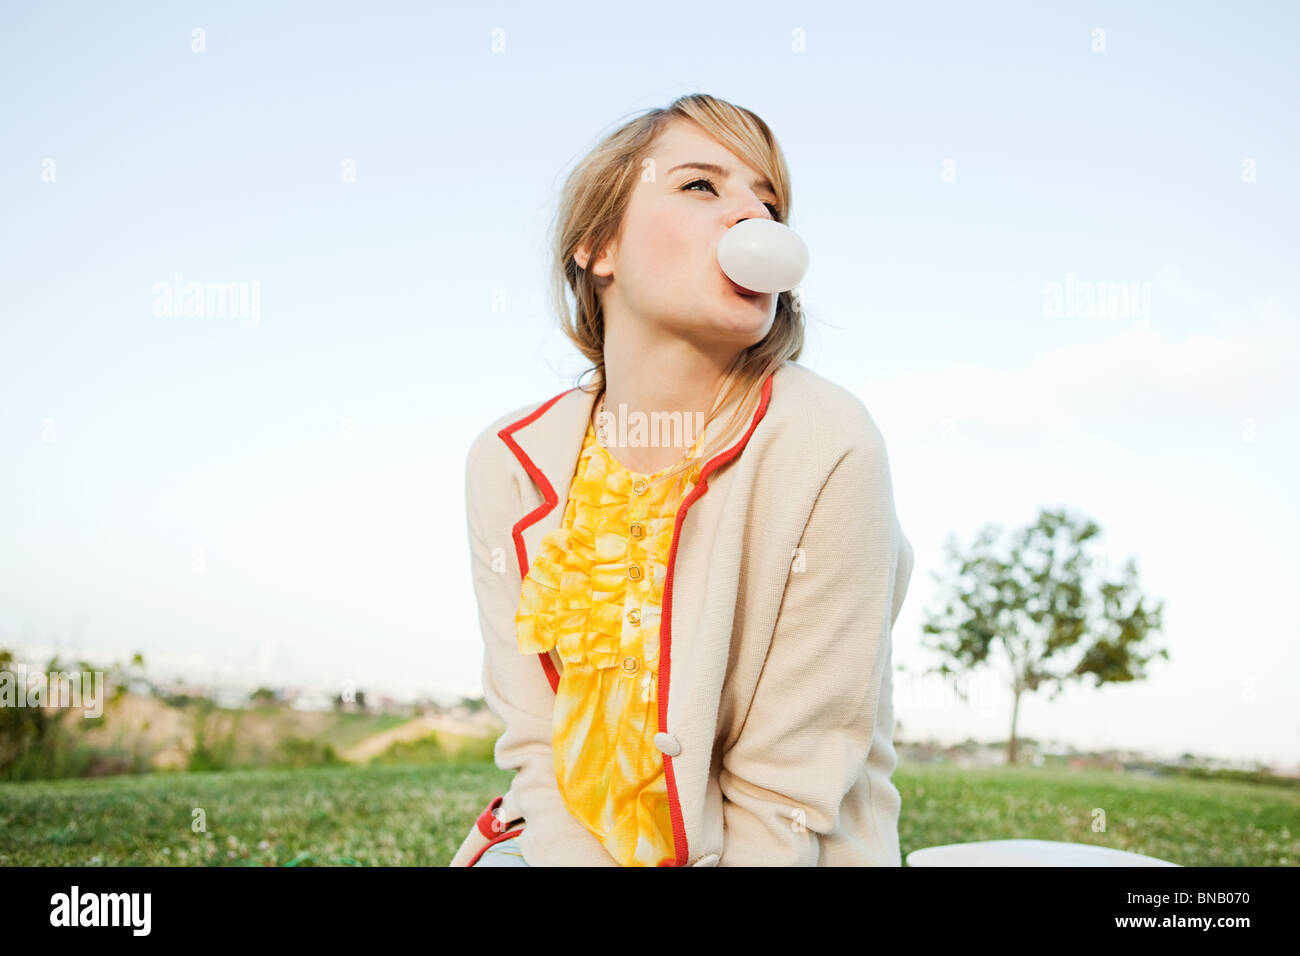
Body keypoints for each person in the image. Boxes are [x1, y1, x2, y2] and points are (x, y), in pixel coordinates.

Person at [456, 93, 914, 867]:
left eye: (768, 201)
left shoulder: (830, 444)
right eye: (703, 186)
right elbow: (538, 748)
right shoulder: (504, 461)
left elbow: (785, 800)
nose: (754, 219)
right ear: (599, 245)